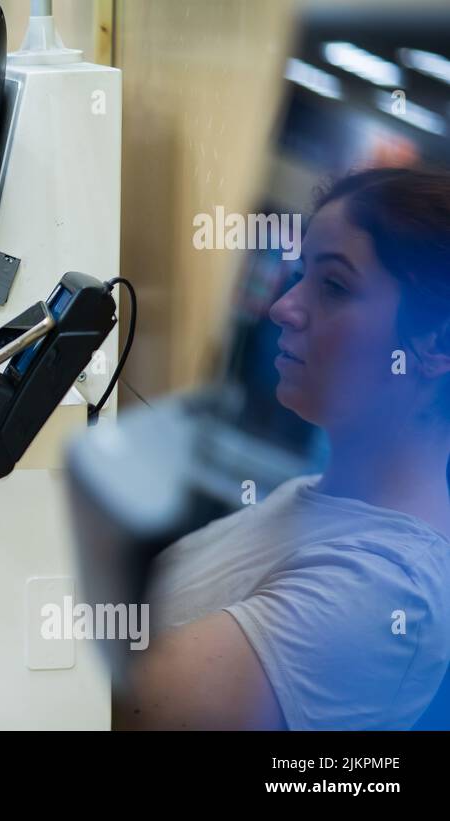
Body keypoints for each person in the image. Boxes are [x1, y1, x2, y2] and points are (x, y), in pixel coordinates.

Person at [118, 167, 450, 730]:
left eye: (335, 286)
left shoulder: (383, 589)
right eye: (300, 276)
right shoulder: (312, 496)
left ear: (437, 341)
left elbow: (100, 706)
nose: (283, 308)